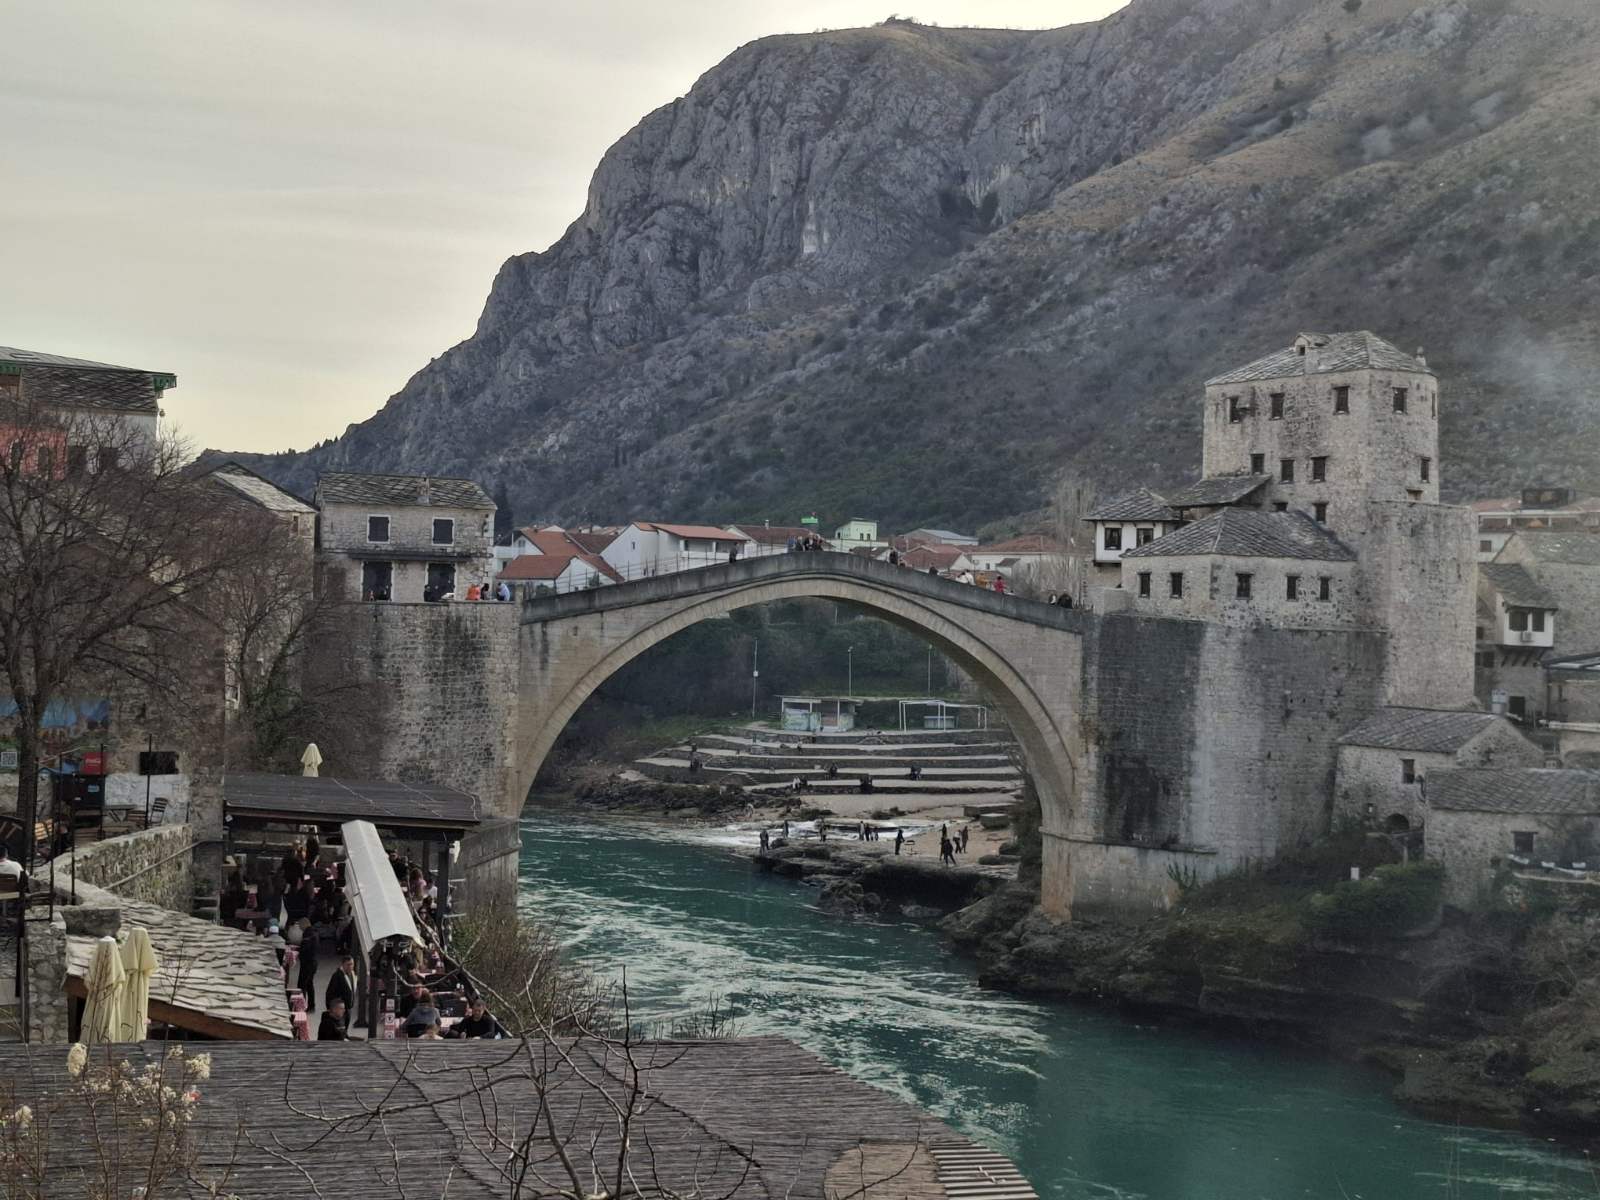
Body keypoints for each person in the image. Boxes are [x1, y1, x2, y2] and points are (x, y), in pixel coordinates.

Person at [296, 919, 320, 1012]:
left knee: (303, 985)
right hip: (313, 962)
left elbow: (305, 948)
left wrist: (299, 950)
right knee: (309, 984)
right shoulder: (314, 933)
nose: (300, 928)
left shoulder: (308, 934)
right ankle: (311, 1005)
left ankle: (302, 1006)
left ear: (304, 925)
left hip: (307, 963)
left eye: (300, 926)